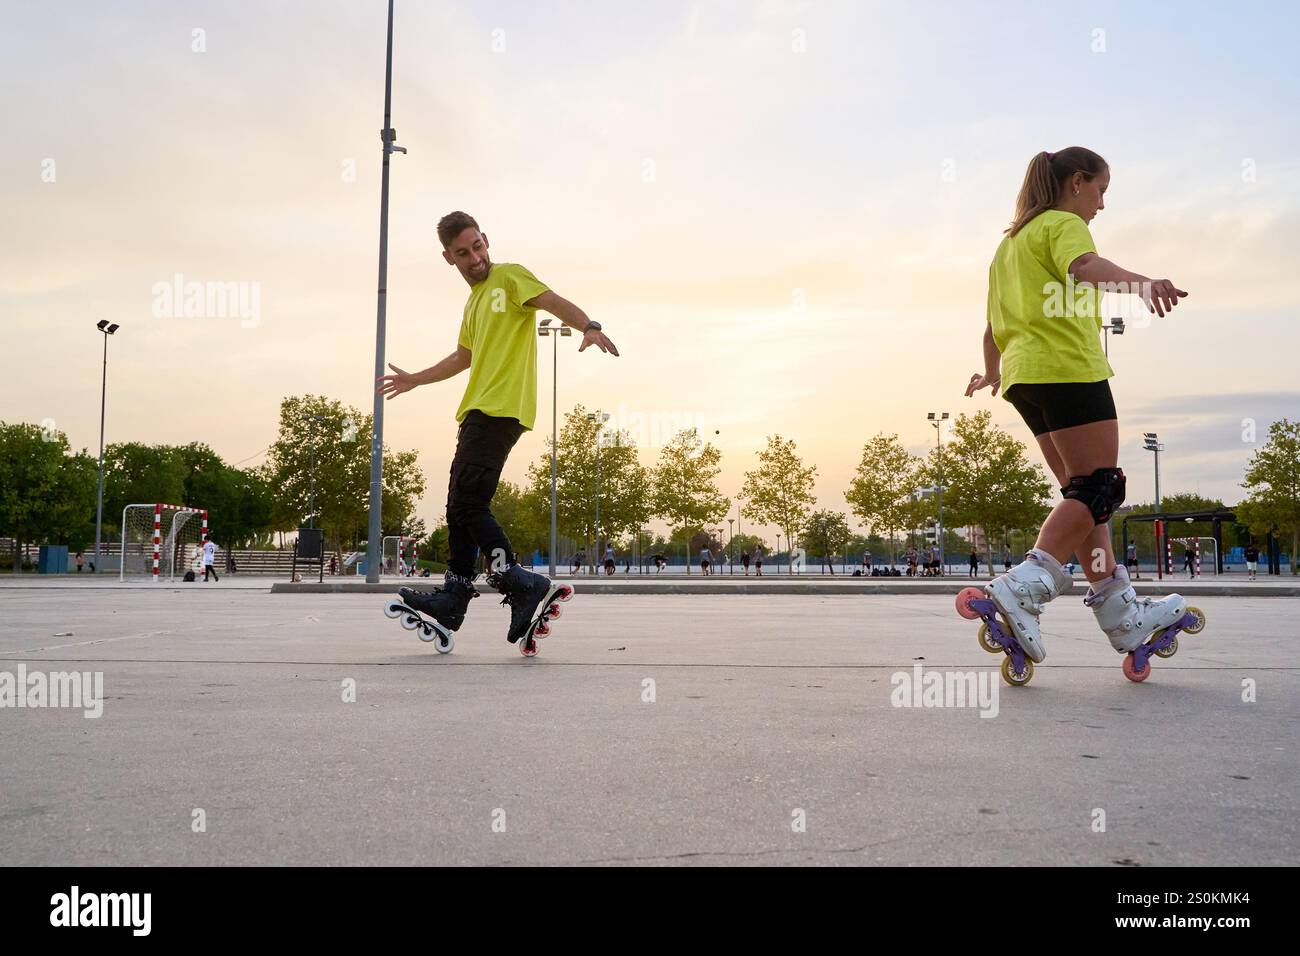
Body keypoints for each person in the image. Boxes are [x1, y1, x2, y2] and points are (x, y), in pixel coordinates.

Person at [965, 147, 1189, 669]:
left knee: (1087, 498)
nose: (1101, 205)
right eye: (1100, 191)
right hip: (1068, 366)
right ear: (1076, 182)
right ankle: (1026, 585)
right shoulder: (1061, 224)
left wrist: (994, 372)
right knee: (1103, 486)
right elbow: (1086, 266)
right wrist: (1143, 285)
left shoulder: (1009, 247)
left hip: (1025, 377)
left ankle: (1122, 615)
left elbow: (992, 326)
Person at [378, 211, 619, 648]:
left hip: (501, 409)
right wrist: (415, 377)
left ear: (486, 240)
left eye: (478, 246)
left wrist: (589, 325)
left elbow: (551, 300)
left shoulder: (509, 278)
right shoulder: (472, 303)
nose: (475, 257)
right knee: (458, 505)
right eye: (463, 253)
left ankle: (517, 579)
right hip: (475, 410)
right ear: (448, 258)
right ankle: (454, 596)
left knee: (471, 503)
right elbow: (461, 358)